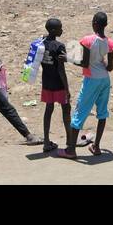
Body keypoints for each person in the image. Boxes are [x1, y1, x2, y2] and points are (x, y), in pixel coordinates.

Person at [63, 12, 113, 158]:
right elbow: (110, 67)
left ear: (94, 23)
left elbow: (85, 63)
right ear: (105, 25)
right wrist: (102, 62)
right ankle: (96, 146)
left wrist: (68, 59)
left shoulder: (87, 40)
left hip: (91, 79)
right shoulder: (110, 43)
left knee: (80, 112)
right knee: (102, 113)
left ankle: (71, 150)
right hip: (105, 79)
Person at [39, 18, 71, 153]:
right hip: (58, 84)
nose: (62, 30)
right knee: (66, 109)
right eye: (60, 28)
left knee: (48, 110)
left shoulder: (41, 44)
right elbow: (61, 69)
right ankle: (70, 140)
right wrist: (67, 88)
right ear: (53, 30)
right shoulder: (59, 46)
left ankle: (46, 141)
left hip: (46, 83)